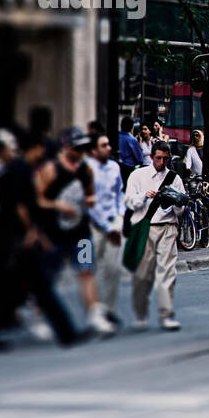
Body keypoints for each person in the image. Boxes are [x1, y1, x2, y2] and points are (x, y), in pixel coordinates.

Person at [0, 132, 81, 351]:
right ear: (37, 148)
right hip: (12, 240)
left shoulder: (16, 169)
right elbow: (20, 206)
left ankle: (66, 332)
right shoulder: (19, 169)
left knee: (16, 288)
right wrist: (31, 232)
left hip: (9, 239)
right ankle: (66, 333)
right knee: (34, 287)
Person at [37, 128, 111, 336]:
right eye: (77, 148)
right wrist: (59, 206)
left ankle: (94, 314)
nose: (81, 152)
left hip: (80, 233)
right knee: (49, 277)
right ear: (66, 146)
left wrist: (90, 201)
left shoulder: (85, 170)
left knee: (87, 271)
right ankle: (42, 317)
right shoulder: (51, 170)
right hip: (55, 233)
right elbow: (38, 199)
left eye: (84, 148)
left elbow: (90, 194)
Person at [124, 139, 186, 330]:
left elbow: (181, 209)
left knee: (167, 272)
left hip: (167, 227)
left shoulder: (175, 178)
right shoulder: (138, 175)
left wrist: (175, 201)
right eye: (158, 158)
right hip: (145, 227)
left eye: (165, 159)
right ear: (151, 157)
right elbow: (129, 202)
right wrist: (144, 195)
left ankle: (166, 315)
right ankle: (141, 315)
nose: (162, 162)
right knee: (142, 274)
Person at [85, 131, 125, 330]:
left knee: (113, 269)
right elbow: (90, 204)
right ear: (93, 150)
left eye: (109, 144)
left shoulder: (114, 168)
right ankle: (93, 309)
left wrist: (120, 216)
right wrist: (109, 227)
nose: (109, 148)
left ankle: (108, 310)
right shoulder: (87, 169)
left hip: (112, 224)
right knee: (89, 269)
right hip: (92, 226)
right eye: (104, 145)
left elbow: (119, 193)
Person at [117, 115, 144, 185]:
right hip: (128, 169)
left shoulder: (115, 137)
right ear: (131, 127)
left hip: (117, 166)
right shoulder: (132, 140)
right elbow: (139, 158)